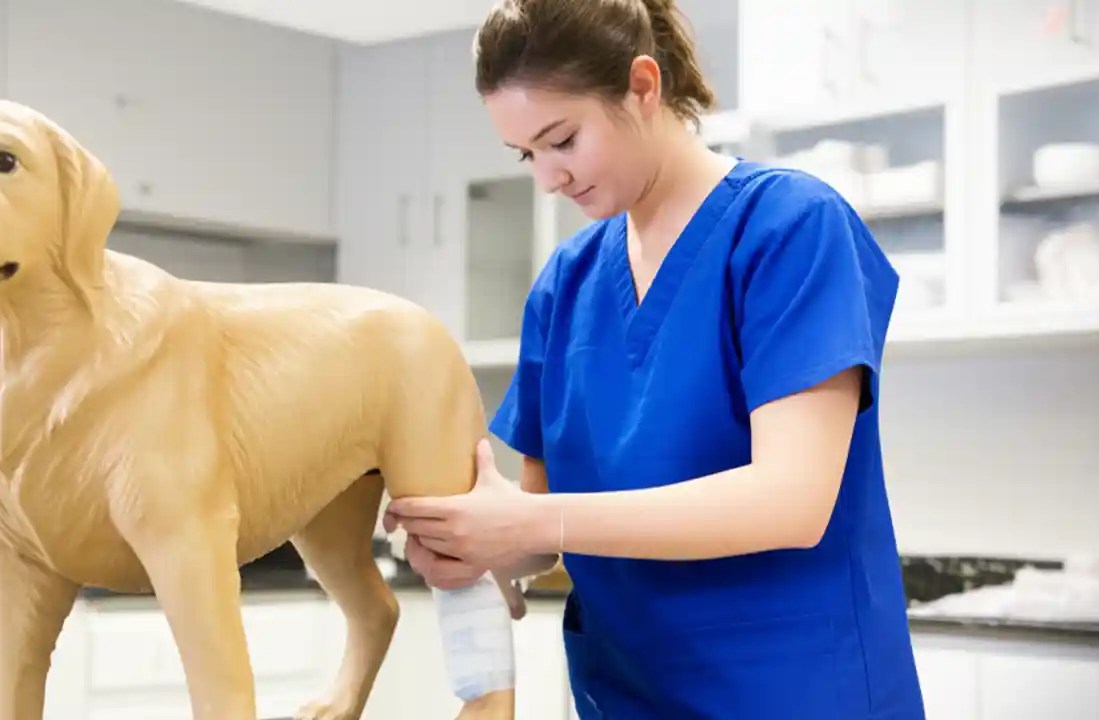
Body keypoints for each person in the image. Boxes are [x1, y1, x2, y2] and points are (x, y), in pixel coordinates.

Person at [382, 0, 927, 717]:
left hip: (792, 691)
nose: (548, 177)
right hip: (625, 694)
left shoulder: (790, 227)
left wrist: (529, 526)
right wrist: (474, 541)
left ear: (643, 86)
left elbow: (791, 500)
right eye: (527, 154)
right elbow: (542, 527)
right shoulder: (564, 286)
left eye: (563, 139)